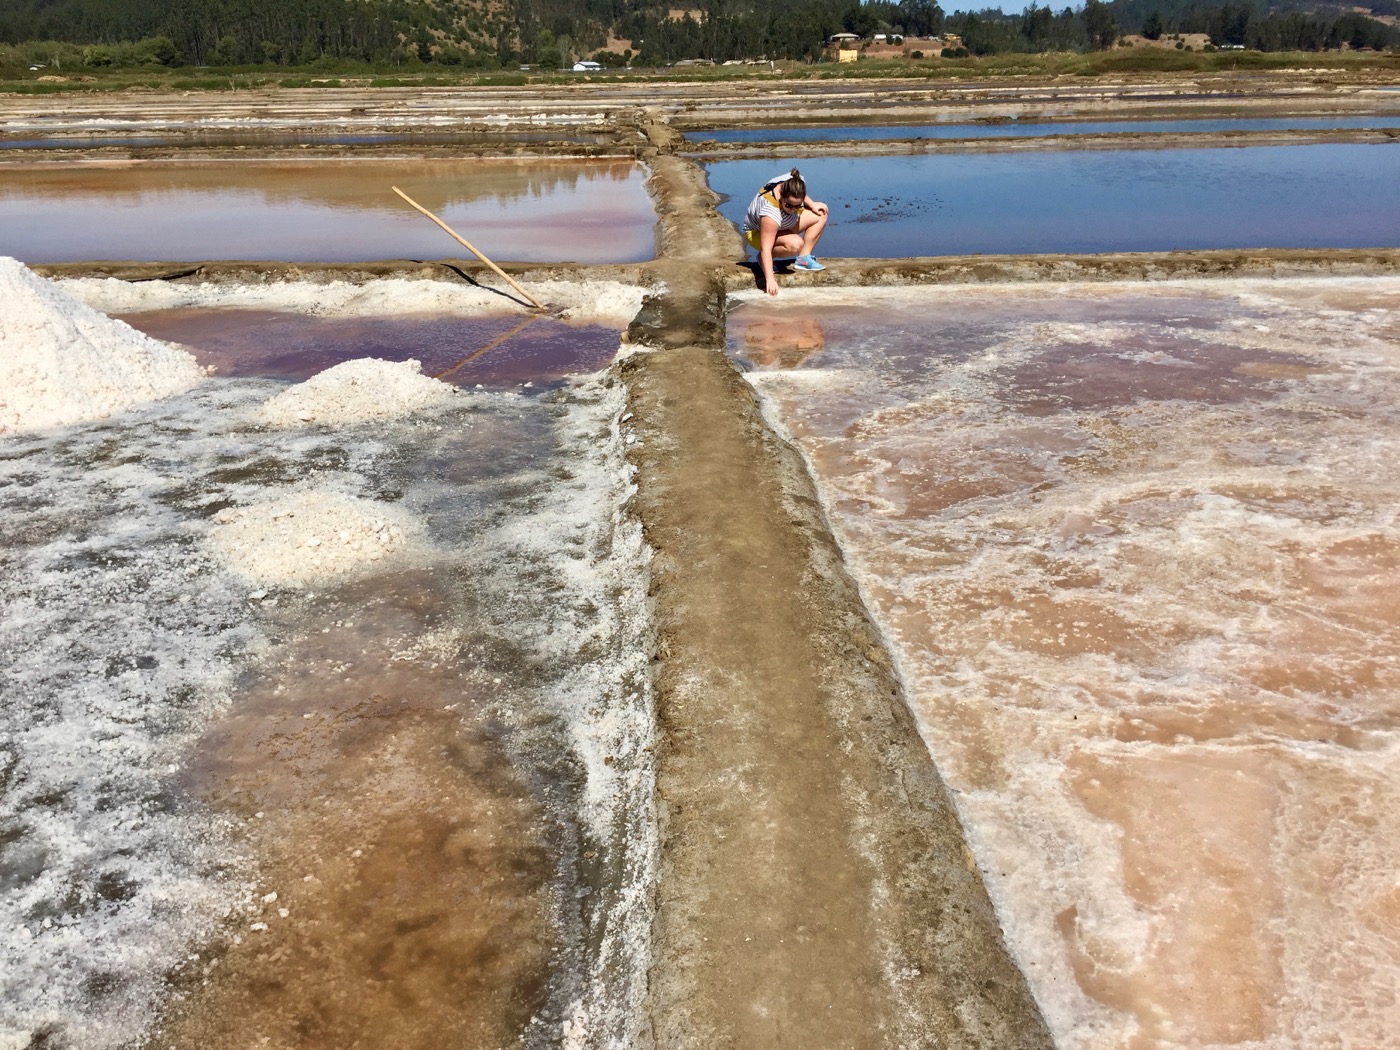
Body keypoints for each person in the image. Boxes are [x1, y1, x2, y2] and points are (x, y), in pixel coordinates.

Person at [743, 168, 830, 297]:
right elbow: (765, 248)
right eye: (789, 205)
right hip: (757, 232)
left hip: (784, 223)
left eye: (797, 206)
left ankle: (803, 259)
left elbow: (800, 195)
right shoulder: (770, 212)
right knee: (795, 244)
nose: (793, 209)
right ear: (782, 196)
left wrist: (811, 205)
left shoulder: (795, 182)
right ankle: (762, 260)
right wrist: (770, 280)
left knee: (821, 211)